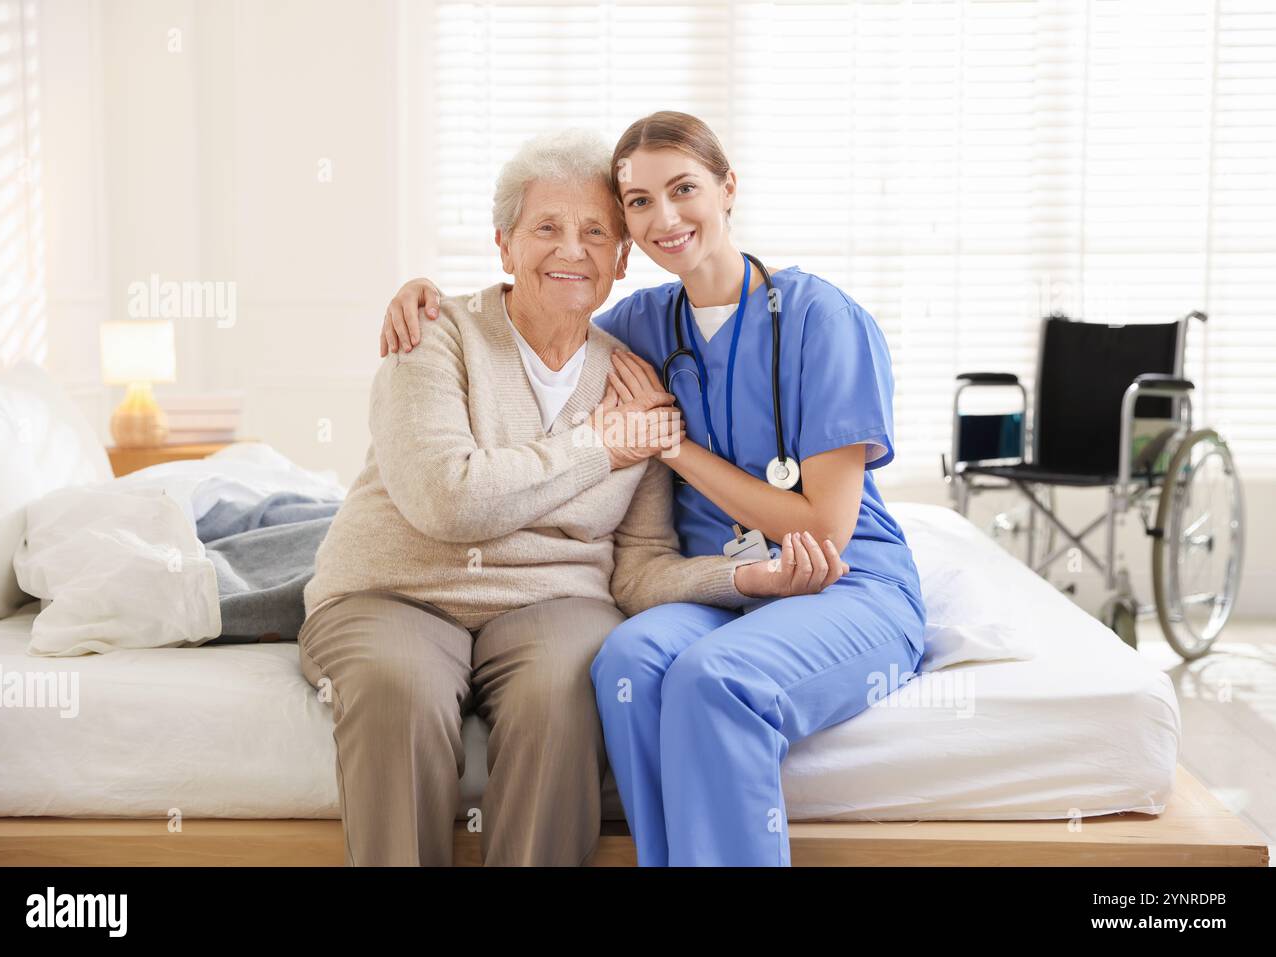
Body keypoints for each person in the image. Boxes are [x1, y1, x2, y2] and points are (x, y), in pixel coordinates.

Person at [377, 111, 924, 866]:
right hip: (717, 591)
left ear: (728, 189)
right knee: (626, 663)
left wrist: (678, 448)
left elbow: (823, 533)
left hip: (840, 582)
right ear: (629, 232)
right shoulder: (636, 325)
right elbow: (538, 294)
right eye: (638, 202)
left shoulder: (821, 320)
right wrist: (421, 294)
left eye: (684, 188)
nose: (664, 216)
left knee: (713, 679)